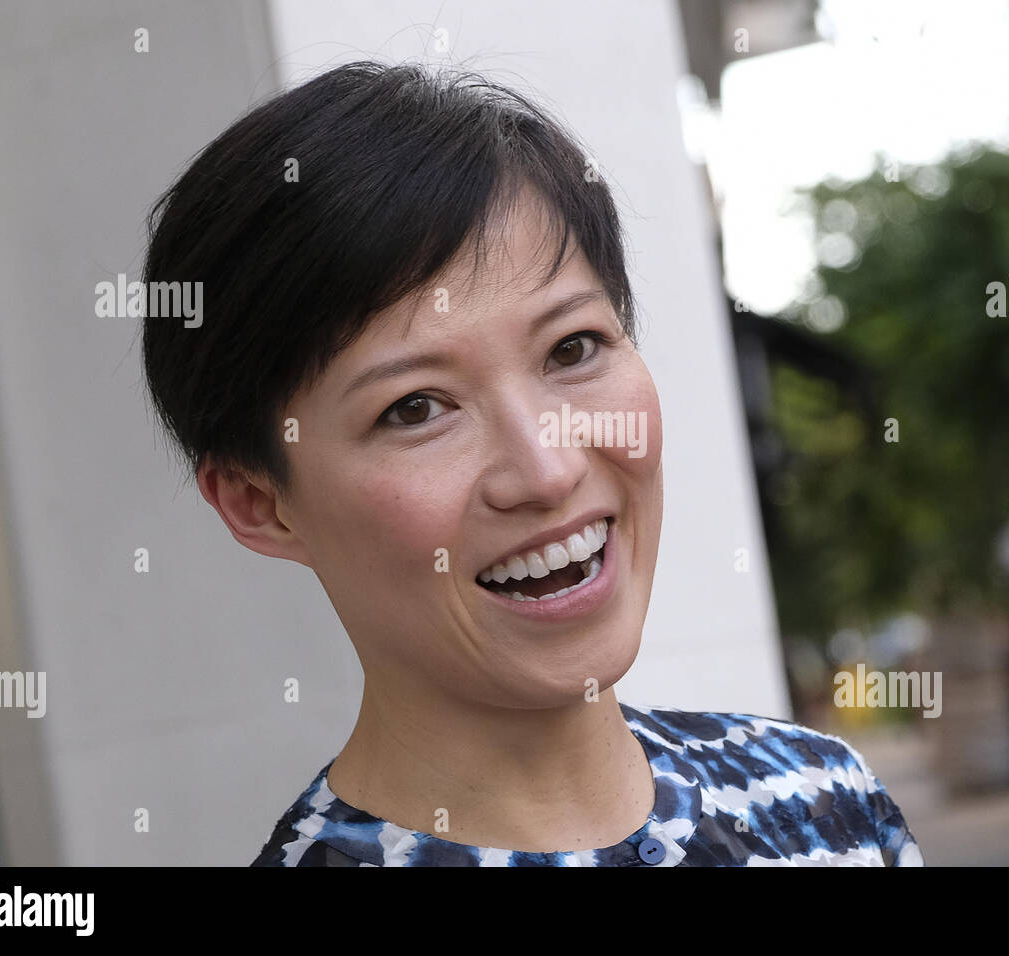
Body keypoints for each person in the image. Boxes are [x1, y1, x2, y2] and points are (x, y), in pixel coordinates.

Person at [140, 60, 923, 867]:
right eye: (415, 408)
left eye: (573, 349)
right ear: (259, 501)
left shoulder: (823, 803)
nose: (547, 471)